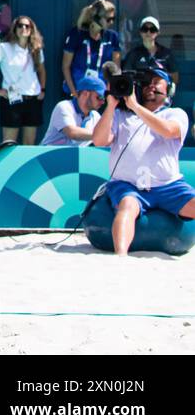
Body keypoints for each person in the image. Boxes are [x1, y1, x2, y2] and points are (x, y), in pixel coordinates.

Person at [91, 69, 194, 256]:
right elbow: (98, 140)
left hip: (167, 185)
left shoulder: (175, 113)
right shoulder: (122, 115)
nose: (151, 86)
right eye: (146, 82)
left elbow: (169, 131)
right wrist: (111, 106)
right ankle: (120, 257)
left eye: (157, 81)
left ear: (169, 89)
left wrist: (136, 107)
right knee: (127, 206)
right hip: (129, 184)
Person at [0, 15, 46, 145]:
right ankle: (6, 166)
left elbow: (42, 71)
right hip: (12, 99)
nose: (23, 28)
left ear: (31, 30)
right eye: (20, 25)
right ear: (14, 29)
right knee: (9, 143)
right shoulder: (4, 48)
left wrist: (42, 89)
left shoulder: (36, 50)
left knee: (29, 144)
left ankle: (26, 166)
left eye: (27, 26)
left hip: (32, 99)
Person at [61, 0, 123, 98]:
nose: (111, 22)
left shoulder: (112, 37)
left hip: (100, 94)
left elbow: (116, 69)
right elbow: (65, 66)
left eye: (113, 19)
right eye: (108, 19)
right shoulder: (77, 34)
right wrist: (75, 94)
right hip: (78, 91)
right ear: (97, 18)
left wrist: (107, 92)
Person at [41, 73, 104, 146]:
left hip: (73, 156)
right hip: (46, 156)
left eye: (103, 98)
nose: (102, 102)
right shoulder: (64, 106)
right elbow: (72, 133)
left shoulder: (96, 116)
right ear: (85, 93)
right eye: (99, 97)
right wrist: (100, 135)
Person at [122, 15, 179, 89]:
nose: (148, 32)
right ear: (140, 32)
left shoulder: (167, 54)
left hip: (160, 95)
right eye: (145, 29)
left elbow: (175, 78)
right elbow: (127, 76)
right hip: (140, 94)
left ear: (158, 33)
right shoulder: (133, 54)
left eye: (152, 30)